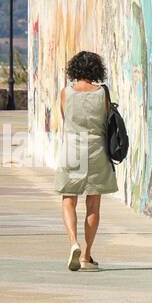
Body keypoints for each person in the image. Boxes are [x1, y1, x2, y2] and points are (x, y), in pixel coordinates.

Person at [54, 50, 117, 272]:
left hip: (72, 148)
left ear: (74, 69)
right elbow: (107, 120)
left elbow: (66, 119)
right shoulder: (102, 94)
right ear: (97, 70)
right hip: (96, 149)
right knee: (93, 204)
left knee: (68, 199)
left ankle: (73, 243)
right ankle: (87, 257)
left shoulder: (65, 93)